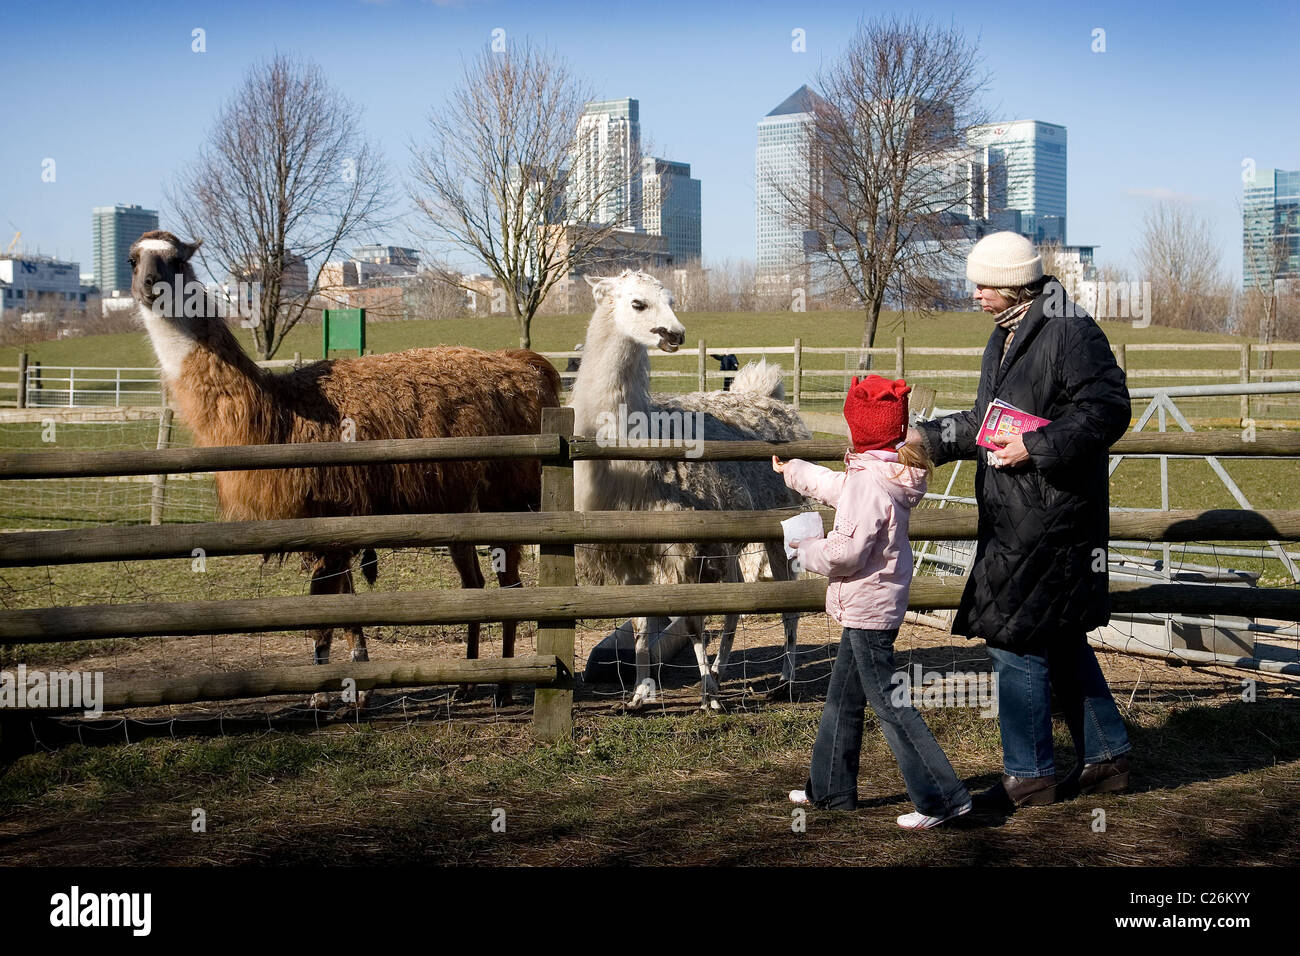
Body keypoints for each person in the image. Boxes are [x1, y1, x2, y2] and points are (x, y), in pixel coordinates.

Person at [910, 231, 1133, 811]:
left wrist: (1037, 446)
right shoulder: (1005, 337)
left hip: (1053, 517)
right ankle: (1107, 759)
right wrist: (927, 440)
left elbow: (1108, 410)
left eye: (982, 284)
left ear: (1013, 284)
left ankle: (1029, 775)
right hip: (1020, 516)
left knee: (1015, 638)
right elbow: (989, 421)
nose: (974, 294)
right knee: (1057, 636)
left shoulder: (1070, 330)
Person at [774, 374, 972, 830]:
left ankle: (944, 798)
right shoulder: (885, 469)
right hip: (875, 602)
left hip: (866, 605)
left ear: (857, 430)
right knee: (843, 697)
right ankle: (829, 787)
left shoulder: (869, 479)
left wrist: (805, 551)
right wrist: (794, 471)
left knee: (889, 702)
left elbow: (845, 552)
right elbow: (838, 486)